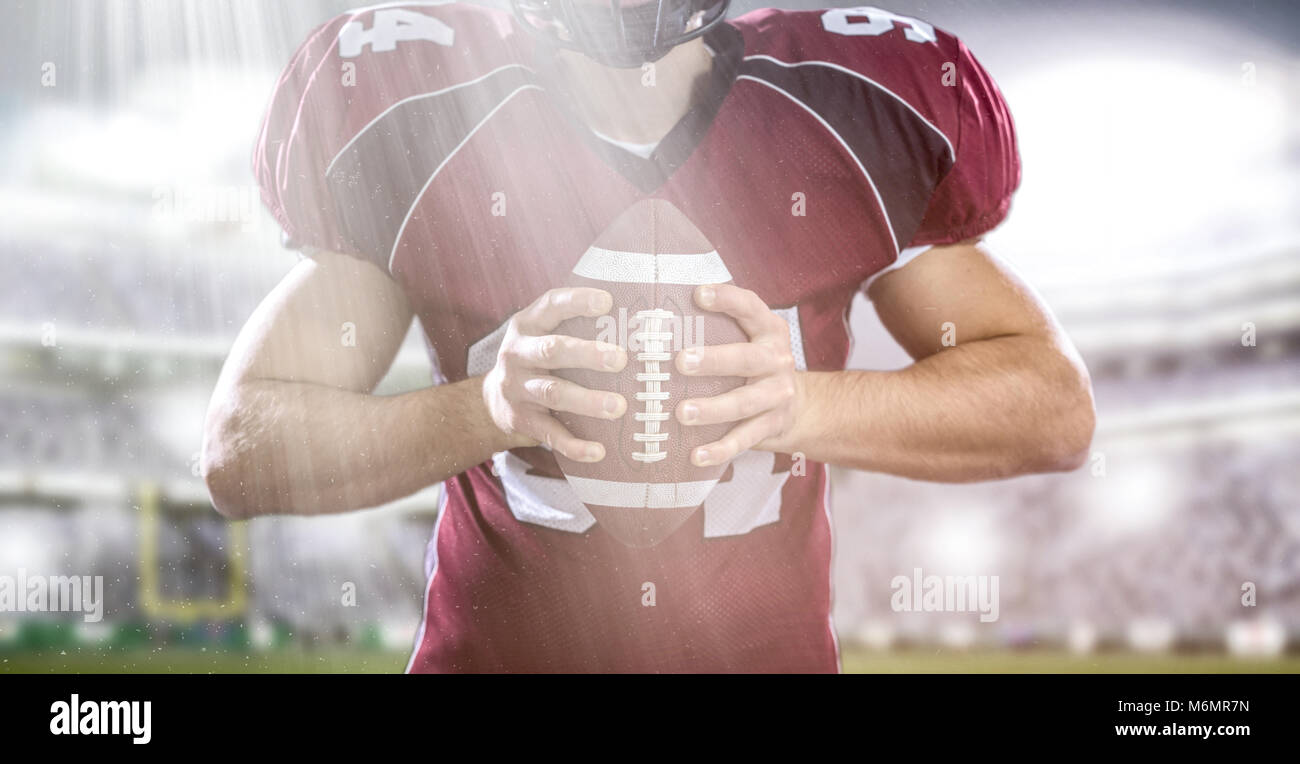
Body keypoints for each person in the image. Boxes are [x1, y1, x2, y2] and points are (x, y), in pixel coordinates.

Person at [202, 0, 1095, 672]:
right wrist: (487, 409)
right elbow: (242, 445)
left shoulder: (847, 114)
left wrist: (794, 403)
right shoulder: (418, 117)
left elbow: (1052, 408)